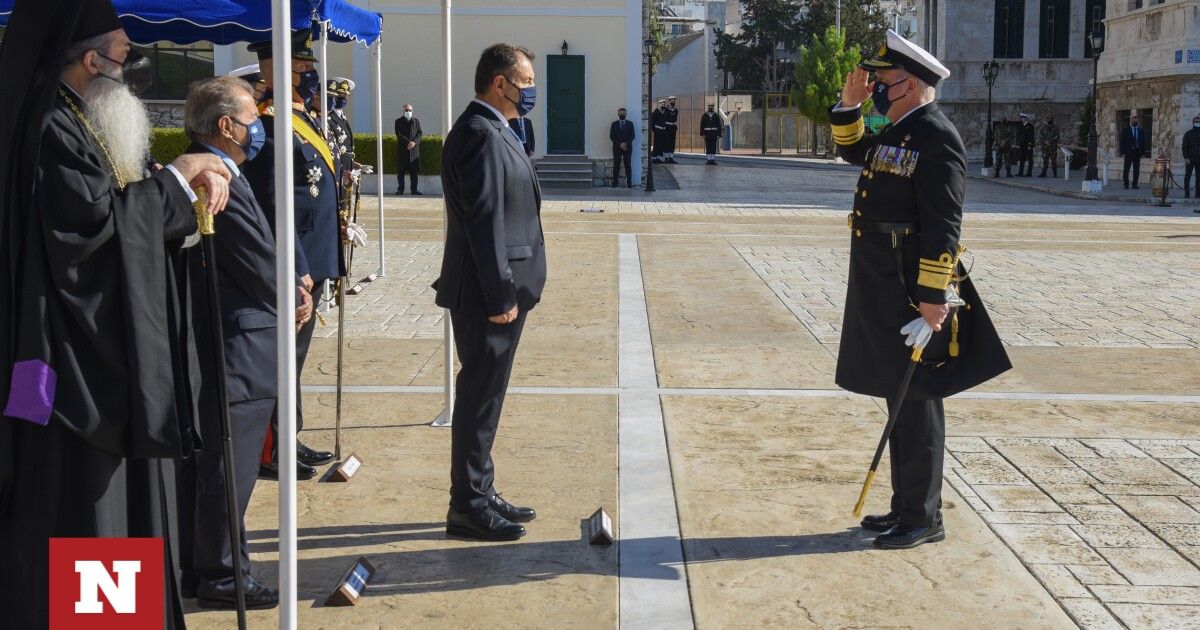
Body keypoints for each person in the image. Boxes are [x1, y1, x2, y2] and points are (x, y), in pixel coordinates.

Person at [0, 0, 233, 625]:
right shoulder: (51, 129)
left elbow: (116, 208)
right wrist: (177, 183)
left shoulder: (79, 120)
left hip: (93, 364)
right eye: (125, 59)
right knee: (88, 527)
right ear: (87, 60)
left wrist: (167, 195)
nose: (129, 75)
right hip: (70, 380)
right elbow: (92, 239)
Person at [830, 29, 1011, 550]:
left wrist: (933, 300)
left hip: (912, 291)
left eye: (882, 82)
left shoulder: (935, 135)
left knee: (919, 398)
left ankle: (924, 516)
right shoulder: (899, 130)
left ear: (908, 84)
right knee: (898, 395)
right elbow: (854, 152)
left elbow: (944, 222)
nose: (876, 89)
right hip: (886, 285)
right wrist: (848, 106)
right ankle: (903, 505)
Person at [176, 75, 309, 611]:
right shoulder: (211, 176)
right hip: (238, 348)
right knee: (229, 474)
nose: (260, 127)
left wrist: (293, 279)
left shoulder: (225, 167)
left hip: (245, 338)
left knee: (225, 472)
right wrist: (293, 293)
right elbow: (252, 257)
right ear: (226, 126)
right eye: (252, 118)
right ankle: (223, 575)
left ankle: (208, 566)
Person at [434, 43, 545, 541]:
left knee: (489, 395)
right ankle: (468, 504)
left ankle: (482, 487)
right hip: (487, 295)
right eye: (525, 82)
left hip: (502, 289)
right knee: (479, 396)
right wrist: (501, 295)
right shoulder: (478, 134)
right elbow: (483, 222)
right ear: (499, 84)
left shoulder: (497, 128)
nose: (531, 90)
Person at [242, 31, 340, 481]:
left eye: (309, 69)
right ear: (275, 72)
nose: (312, 77)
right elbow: (274, 206)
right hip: (293, 260)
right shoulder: (270, 125)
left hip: (313, 256)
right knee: (280, 356)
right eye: (302, 70)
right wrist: (295, 268)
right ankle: (270, 449)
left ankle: (289, 438)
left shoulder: (304, 120)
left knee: (295, 357)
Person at [327, 78, 357, 179]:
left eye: (345, 95)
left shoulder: (343, 117)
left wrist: (354, 164)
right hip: (338, 166)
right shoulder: (327, 118)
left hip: (348, 165)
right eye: (340, 95)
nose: (343, 98)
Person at [395, 103, 423, 194]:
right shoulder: (398, 121)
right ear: (403, 111)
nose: (408, 112)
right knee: (401, 172)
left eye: (410, 110)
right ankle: (400, 189)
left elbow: (419, 133)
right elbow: (399, 134)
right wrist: (408, 143)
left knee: (414, 172)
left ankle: (414, 190)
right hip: (403, 150)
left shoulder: (416, 121)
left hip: (414, 151)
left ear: (412, 111)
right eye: (406, 110)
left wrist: (414, 142)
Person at [610, 107, 635, 186]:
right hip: (617, 148)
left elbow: (632, 136)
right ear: (618, 114)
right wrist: (620, 144)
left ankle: (629, 183)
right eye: (620, 113)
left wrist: (625, 143)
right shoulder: (614, 124)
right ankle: (615, 182)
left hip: (627, 148)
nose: (622, 114)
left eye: (623, 113)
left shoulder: (630, 123)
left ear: (626, 114)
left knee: (628, 165)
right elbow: (612, 136)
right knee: (616, 165)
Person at [1120, 115, 1146, 189]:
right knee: (1126, 169)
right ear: (1131, 121)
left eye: (1136, 121)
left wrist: (1143, 153)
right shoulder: (1126, 130)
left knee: (1136, 169)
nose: (1135, 122)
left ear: (1138, 122)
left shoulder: (1140, 130)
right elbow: (1122, 142)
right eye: (1134, 120)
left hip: (1137, 152)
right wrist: (1122, 152)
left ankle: (1135, 184)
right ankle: (1126, 184)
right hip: (1128, 152)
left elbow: (1143, 142)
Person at [1184, 114, 1200, 200]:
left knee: (1199, 177)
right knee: (1187, 176)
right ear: (1193, 123)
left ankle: (1198, 194)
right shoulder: (1188, 134)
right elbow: (1184, 147)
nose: (1197, 123)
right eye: (1196, 122)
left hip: (1199, 158)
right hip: (1190, 158)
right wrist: (1186, 157)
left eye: (1199, 122)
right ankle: (1187, 194)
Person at [651, 98, 667, 163]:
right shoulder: (656, 111)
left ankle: (659, 158)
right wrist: (654, 130)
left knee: (661, 145)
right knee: (656, 144)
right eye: (662, 104)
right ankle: (654, 158)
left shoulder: (666, 111)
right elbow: (652, 121)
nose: (663, 105)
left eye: (664, 104)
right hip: (657, 130)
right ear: (660, 104)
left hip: (663, 131)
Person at [664, 96, 680, 163]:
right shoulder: (666, 109)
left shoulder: (676, 110)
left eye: (674, 100)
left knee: (672, 143)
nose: (673, 102)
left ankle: (671, 157)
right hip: (667, 127)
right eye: (672, 100)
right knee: (667, 142)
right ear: (669, 101)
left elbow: (675, 118)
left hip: (673, 127)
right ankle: (666, 157)